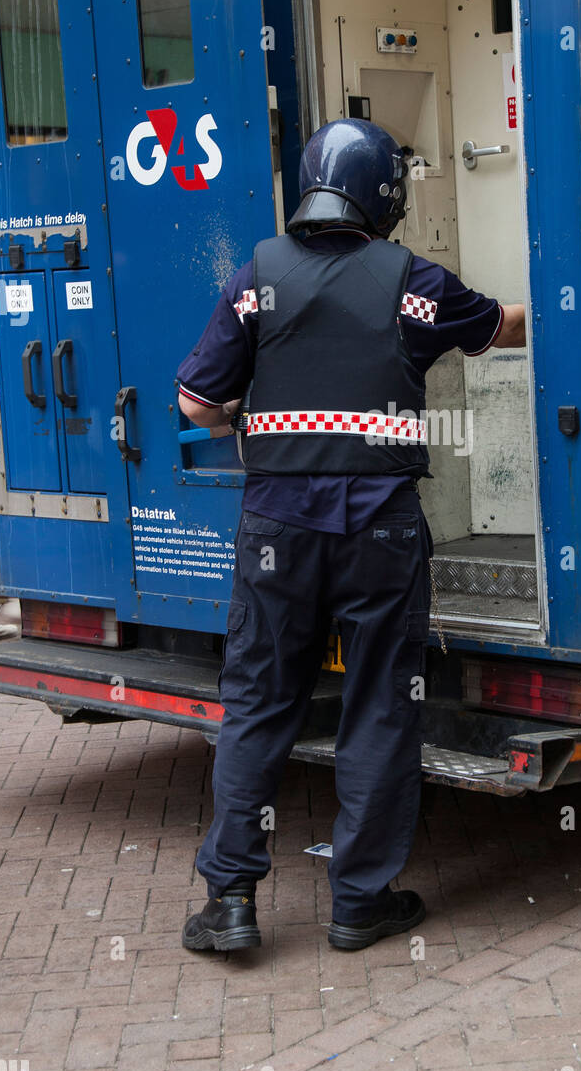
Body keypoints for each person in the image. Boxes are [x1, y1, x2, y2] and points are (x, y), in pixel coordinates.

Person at [176, 119, 525, 952]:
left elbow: (195, 402)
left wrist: (245, 411)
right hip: (380, 531)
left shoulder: (255, 279)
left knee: (259, 704)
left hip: (278, 531)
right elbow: (501, 329)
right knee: (379, 705)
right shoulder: (416, 283)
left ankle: (231, 901)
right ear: (386, 197)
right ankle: (360, 902)